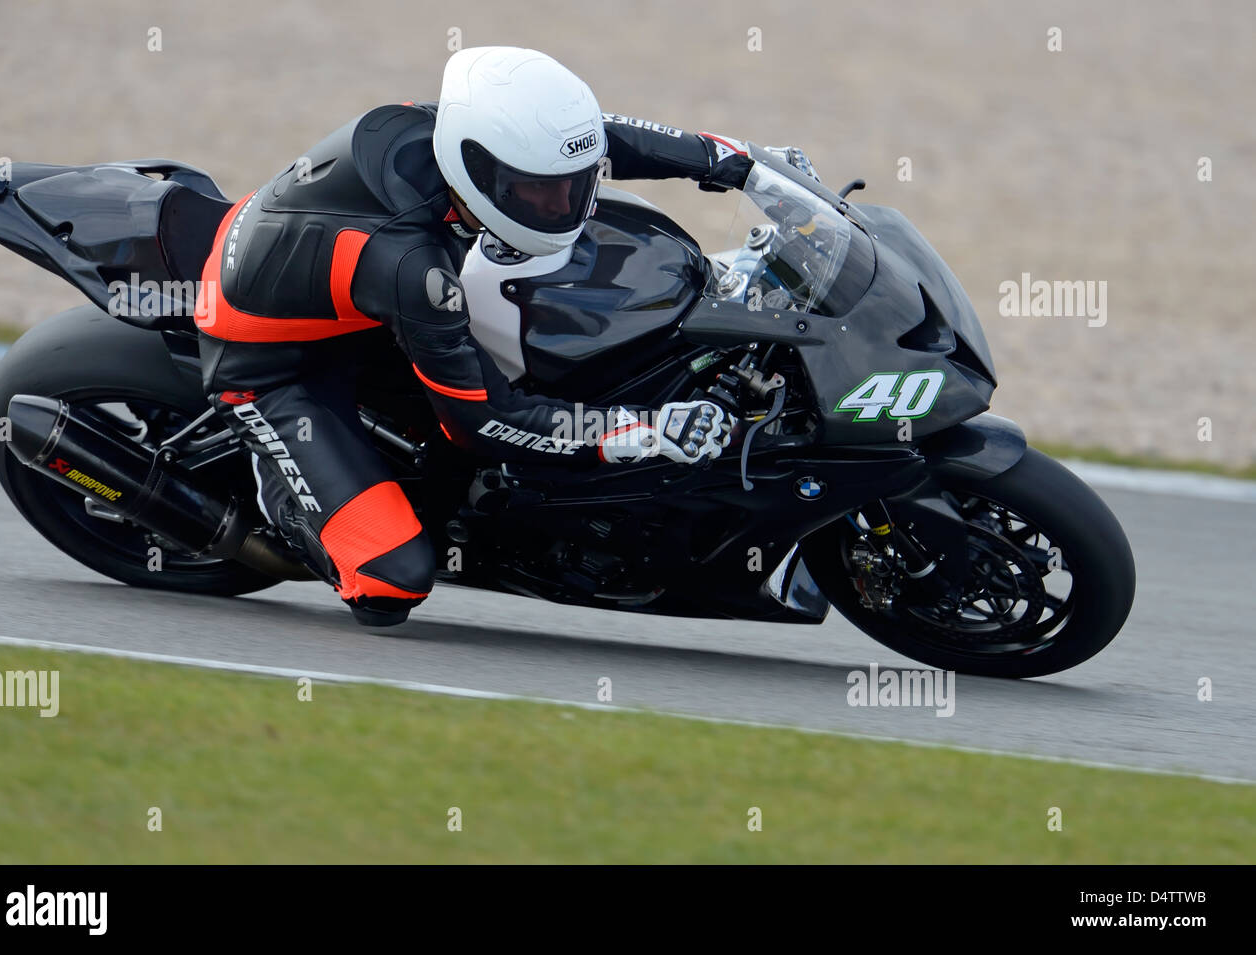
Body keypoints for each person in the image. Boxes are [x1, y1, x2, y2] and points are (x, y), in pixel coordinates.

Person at [194, 45, 811, 631]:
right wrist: (645, 430)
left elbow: (605, 139)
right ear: (479, 169)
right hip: (271, 361)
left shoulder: (467, 134)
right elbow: (484, 422)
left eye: (568, 183)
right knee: (391, 580)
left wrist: (746, 164)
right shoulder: (415, 270)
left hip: (341, 290)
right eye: (537, 189)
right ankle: (280, 498)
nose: (561, 200)